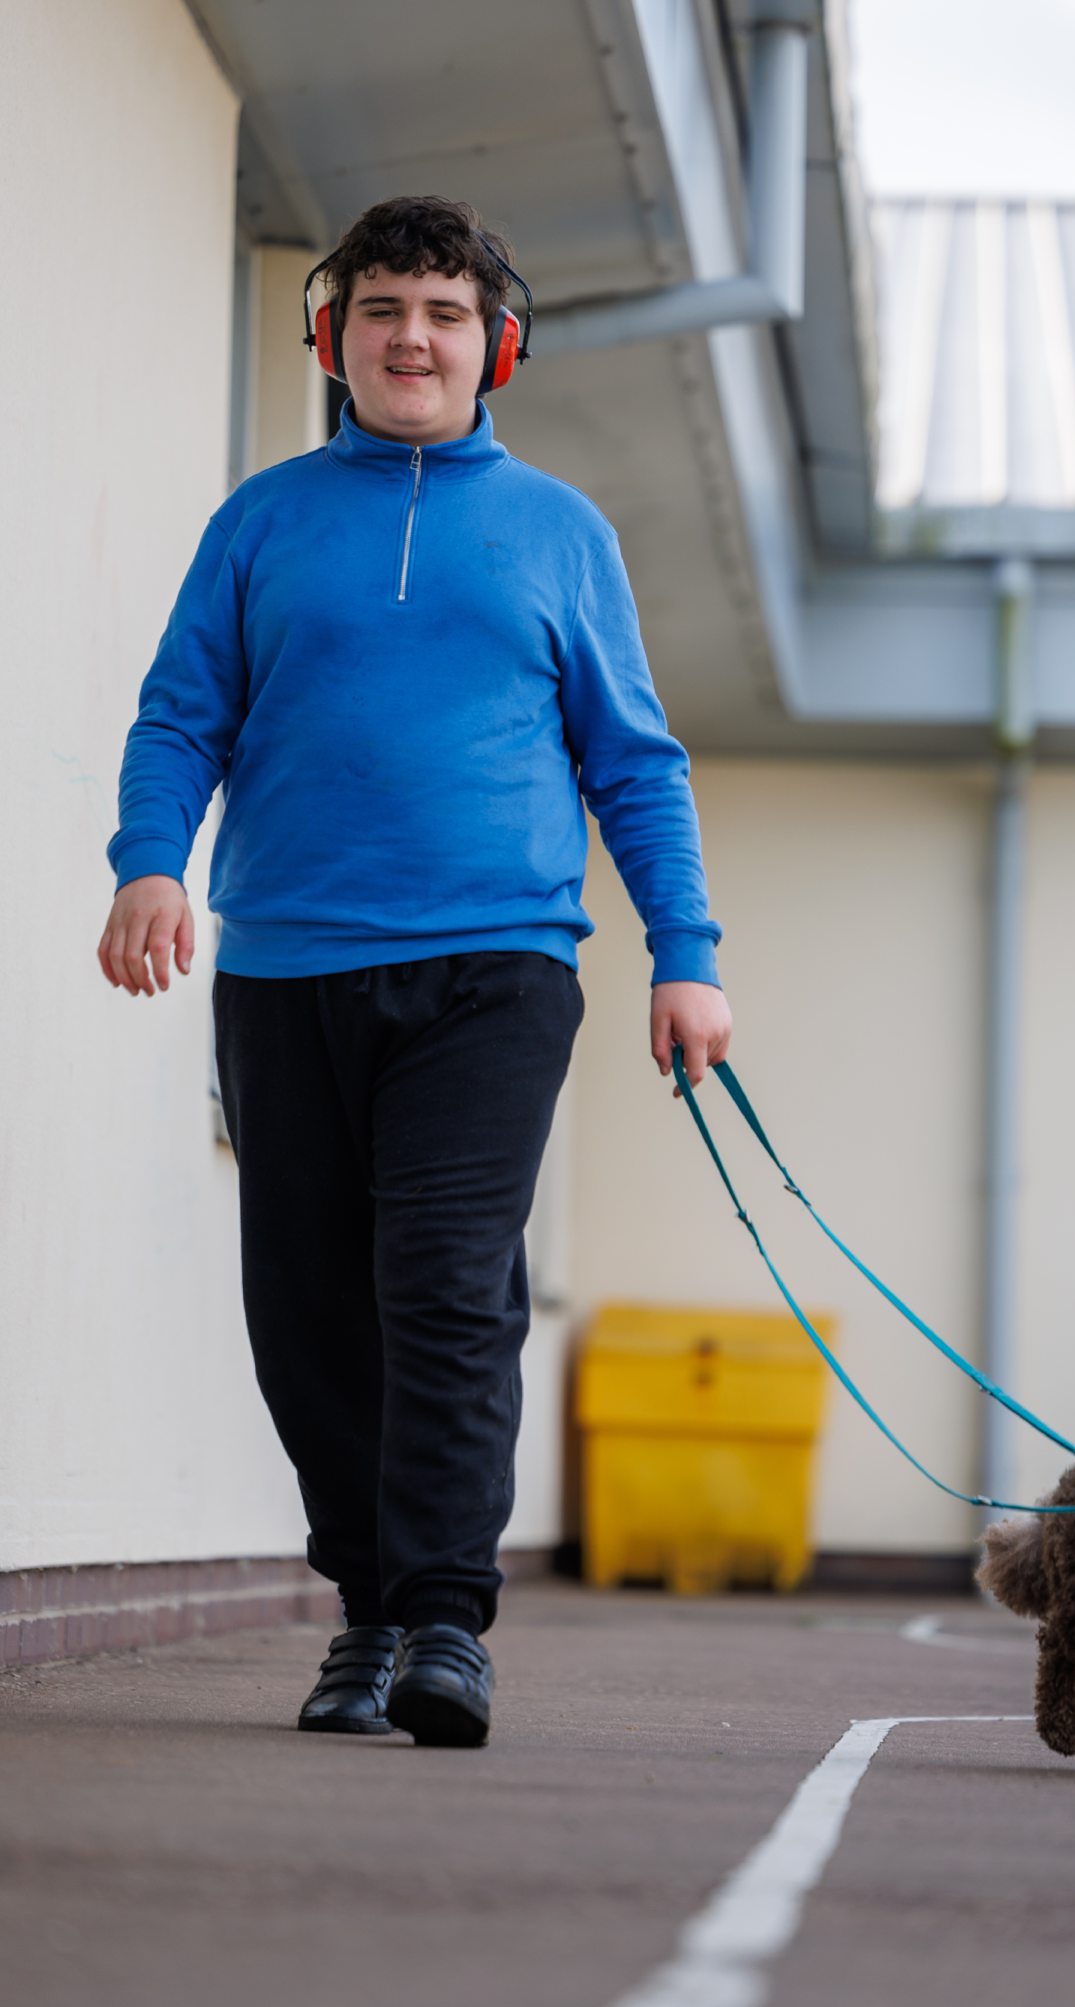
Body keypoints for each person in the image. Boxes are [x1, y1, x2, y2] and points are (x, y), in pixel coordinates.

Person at [97, 195, 732, 1750]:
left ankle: (447, 1621)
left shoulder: (559, 533)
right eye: (382, 309)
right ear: (333, 336)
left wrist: (687, 954)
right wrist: (149, 861)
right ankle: (366, 1611)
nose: (412, 340)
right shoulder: (260, 522)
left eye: (445, 314)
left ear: (493, 343)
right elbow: (182, 715)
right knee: (308, 1310)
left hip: (491, 975)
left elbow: (633, 765)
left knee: (446, 1291)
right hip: (287, 968)